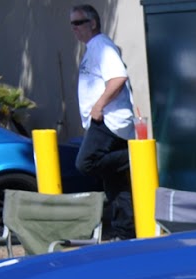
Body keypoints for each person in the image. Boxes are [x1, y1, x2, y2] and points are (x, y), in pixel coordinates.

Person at [71, 4, 135, 240]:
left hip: (108, 120)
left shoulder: (102, 46)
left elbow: (118, 78)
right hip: (102, 121)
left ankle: (131, 157)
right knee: (115, 184)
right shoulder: (91, 49)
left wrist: (98, 106)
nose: (74, 29)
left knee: (85, 163)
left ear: (93, 23)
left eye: (78, 23)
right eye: (72, 24)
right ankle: (125, 231)